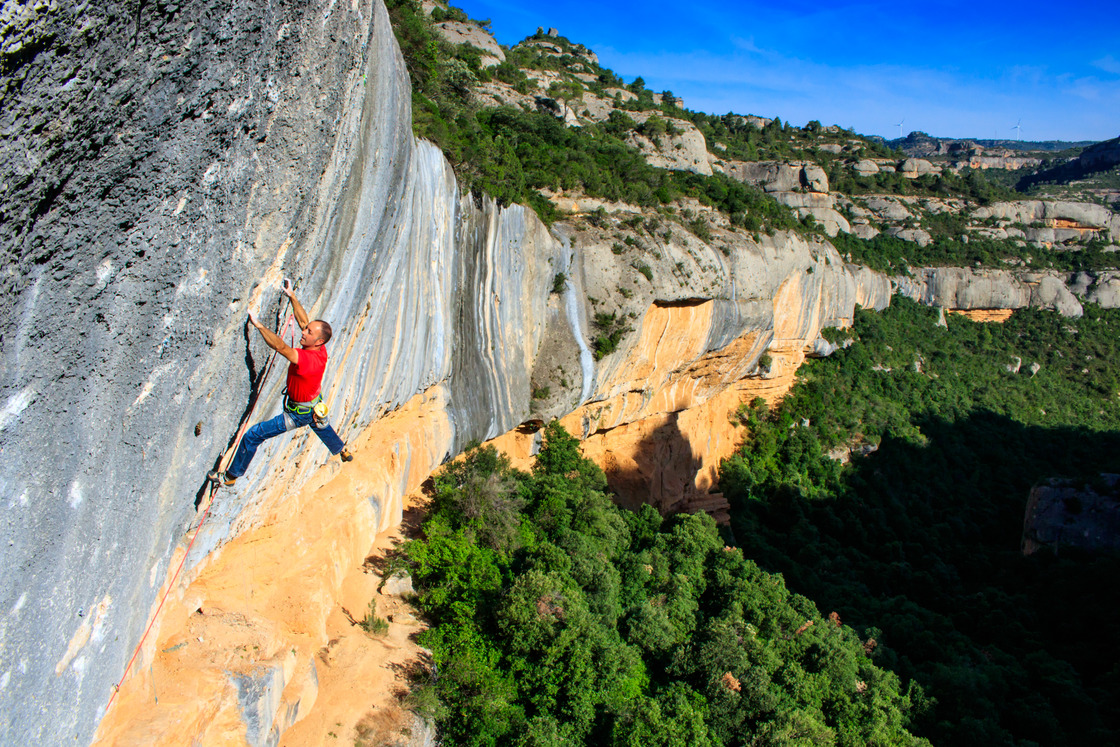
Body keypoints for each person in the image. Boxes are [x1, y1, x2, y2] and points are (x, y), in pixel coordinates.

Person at [208, 281, 352, 487]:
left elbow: (281, 346)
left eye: (309, 333)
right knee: (319, 423)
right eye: (307, 330)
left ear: (318, 341)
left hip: (297, 413)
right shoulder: (320, 349)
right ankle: (341, 449)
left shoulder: (305, 359)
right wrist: (292, 296)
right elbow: (304, 321)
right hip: (312, 404)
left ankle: (230, 477)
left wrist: (258, 326)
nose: (304, 332)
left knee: (253, 435)